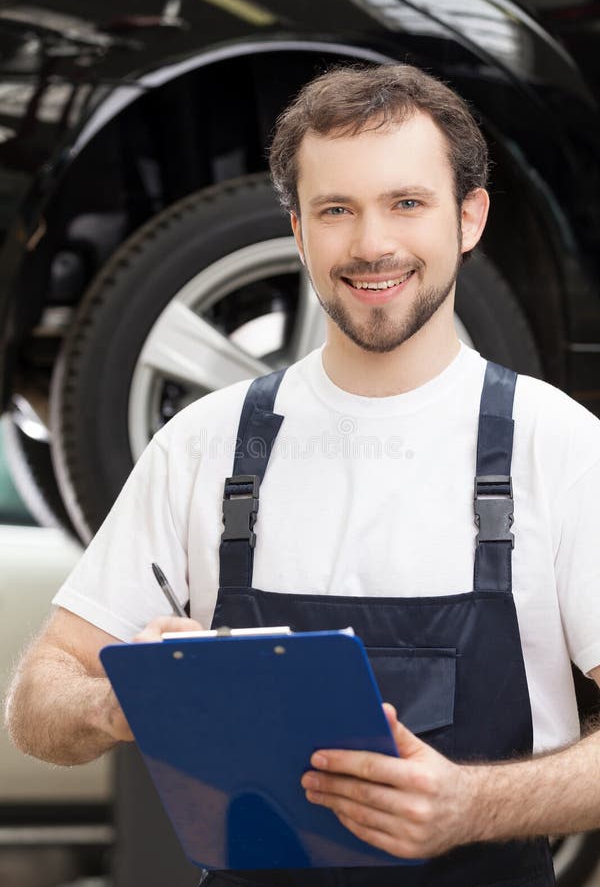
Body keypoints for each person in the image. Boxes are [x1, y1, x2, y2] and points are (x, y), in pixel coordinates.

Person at [5, 63, 600, 886]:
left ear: (469, 217)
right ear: (298, 228)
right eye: (336, 210)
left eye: (406, 203)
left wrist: (471, 805)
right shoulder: (204, 445)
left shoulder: (557, 448)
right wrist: (121, 700)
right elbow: (37, 701)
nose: (371, 245)